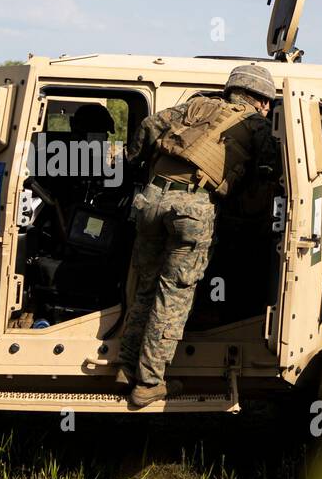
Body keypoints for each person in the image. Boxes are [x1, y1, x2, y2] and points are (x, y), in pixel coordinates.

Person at [117, 64, 278, 408]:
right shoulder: (257, 124)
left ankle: (127, 366)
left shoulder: (197, 105)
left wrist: (133, 161)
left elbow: (148, 126)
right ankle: (149, 383)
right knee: (172, 294)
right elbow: (267, 174)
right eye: (267, 103)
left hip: (150, 200)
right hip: (191, 208)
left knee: (146, 283)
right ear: (262, 101)